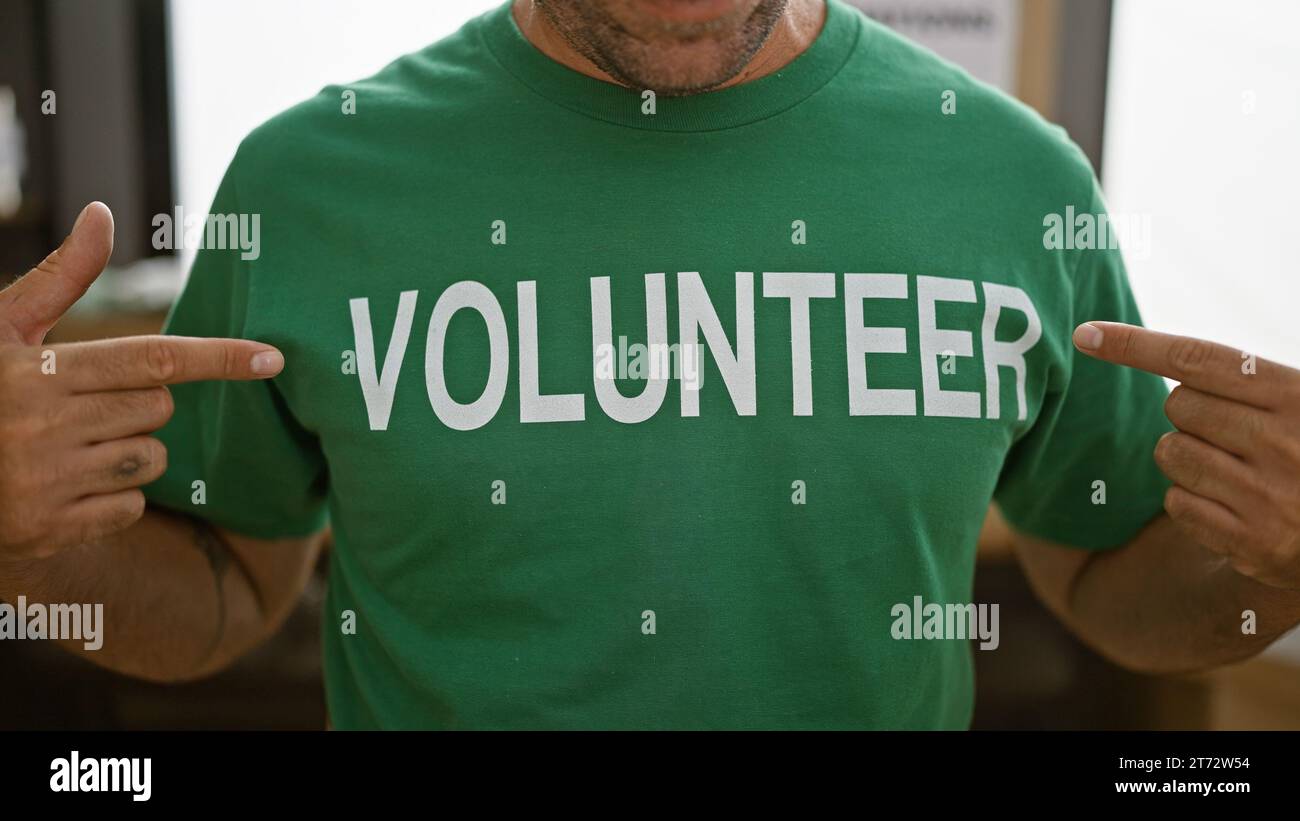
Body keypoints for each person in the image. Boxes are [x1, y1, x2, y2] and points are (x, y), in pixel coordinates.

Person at [1, 0, 1297, 730]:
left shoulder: (1017, 184)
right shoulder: (307, 186)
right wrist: (28, 550)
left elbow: (1114, 575)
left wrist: (1280, 576)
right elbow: (226, 593)